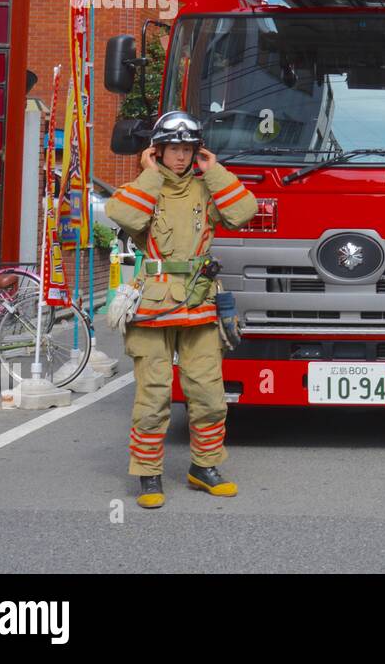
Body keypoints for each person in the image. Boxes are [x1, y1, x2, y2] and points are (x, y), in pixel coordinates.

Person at [106, 111, 258, 510]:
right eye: (173, 148)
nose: (181, 157)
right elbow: (122, 216)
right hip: (153, 306)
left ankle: (204, 467)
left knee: (208, 394)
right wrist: (152, 174)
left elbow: (244, 213)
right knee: (154, 397)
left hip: (200, 301)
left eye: (188, 149)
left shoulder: (207, 187)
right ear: (157, 150)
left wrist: (216, 170)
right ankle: (148, 472)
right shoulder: (143, 188)